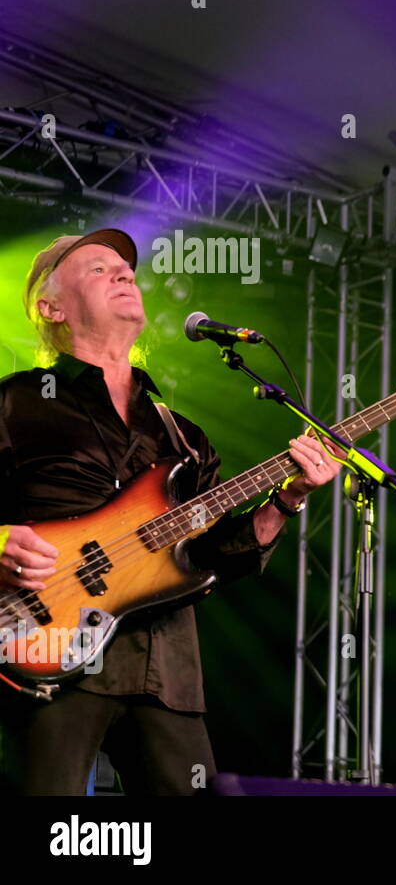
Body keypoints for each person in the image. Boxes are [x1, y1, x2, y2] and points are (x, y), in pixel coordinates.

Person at [0, 228, 340, 795]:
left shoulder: (181, 437)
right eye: (98, 267)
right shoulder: (15, 402)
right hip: (42, 647)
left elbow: (211, 556)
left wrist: (288, 497)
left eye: (127, 269)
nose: (124, 274)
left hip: (164, 671)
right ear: (50, 305)